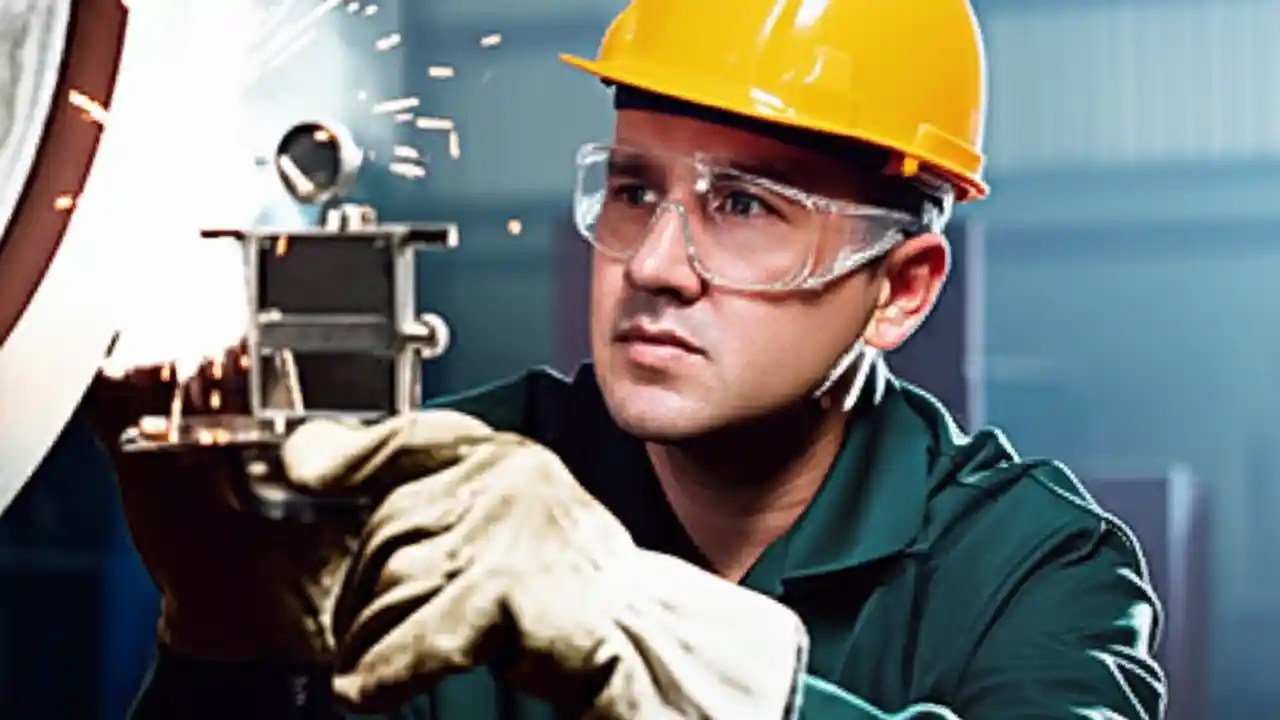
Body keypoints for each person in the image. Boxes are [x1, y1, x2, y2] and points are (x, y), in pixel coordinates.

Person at [85, 0, 1167, 718]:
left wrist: (644, 634)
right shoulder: (454, 496)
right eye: (633, 190)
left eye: (743, 206)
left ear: (898, 289)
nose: (652, 264)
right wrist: (218, 641)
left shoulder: (1034, 569)